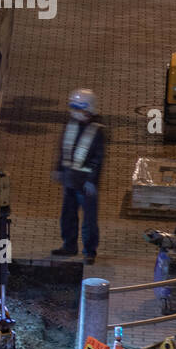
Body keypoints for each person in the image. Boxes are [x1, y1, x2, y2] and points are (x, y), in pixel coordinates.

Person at [52, 89, 105, 265]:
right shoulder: (71, 124)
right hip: (70, 180)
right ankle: (69, 245)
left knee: (89, 220)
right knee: (68, 215)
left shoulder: (97, 131)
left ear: (89, 110)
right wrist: (59, 168)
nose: (74, 112)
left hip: (86, 184)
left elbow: (98, 159)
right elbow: (64, 148)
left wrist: (92, 181)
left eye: (78, 108)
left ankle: (90, 251)